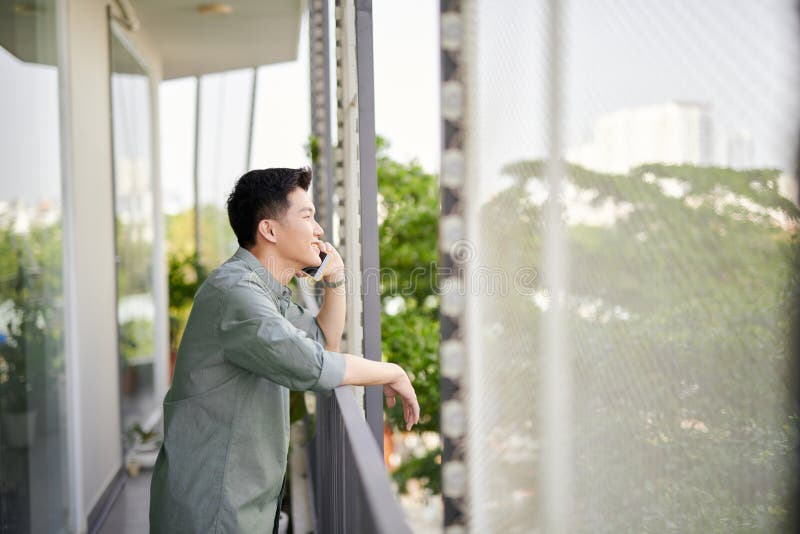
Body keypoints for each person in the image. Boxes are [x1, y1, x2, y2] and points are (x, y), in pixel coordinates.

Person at [149, 167, 419, 533]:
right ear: (269, 230)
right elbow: (314, 365)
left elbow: (323, 342)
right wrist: (392, 372)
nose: (319, 230)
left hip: (237, 504)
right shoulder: (237, 295)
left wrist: (335, 278)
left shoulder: (263, 292)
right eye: (307, 216)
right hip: (213, 511)